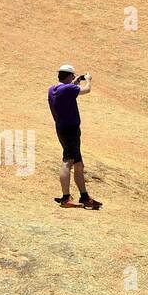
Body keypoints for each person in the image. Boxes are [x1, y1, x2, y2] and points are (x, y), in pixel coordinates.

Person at [48, 64, 101, 210]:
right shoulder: (69, 89)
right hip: (71, 130)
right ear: (70, 76)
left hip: (62, 128)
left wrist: (75, 81)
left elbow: (67, 90)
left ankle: (84, 197)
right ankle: (65, 198)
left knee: (78, 164)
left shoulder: (53, 89)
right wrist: (88, 80)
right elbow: (87, 90)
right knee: (68, 161)